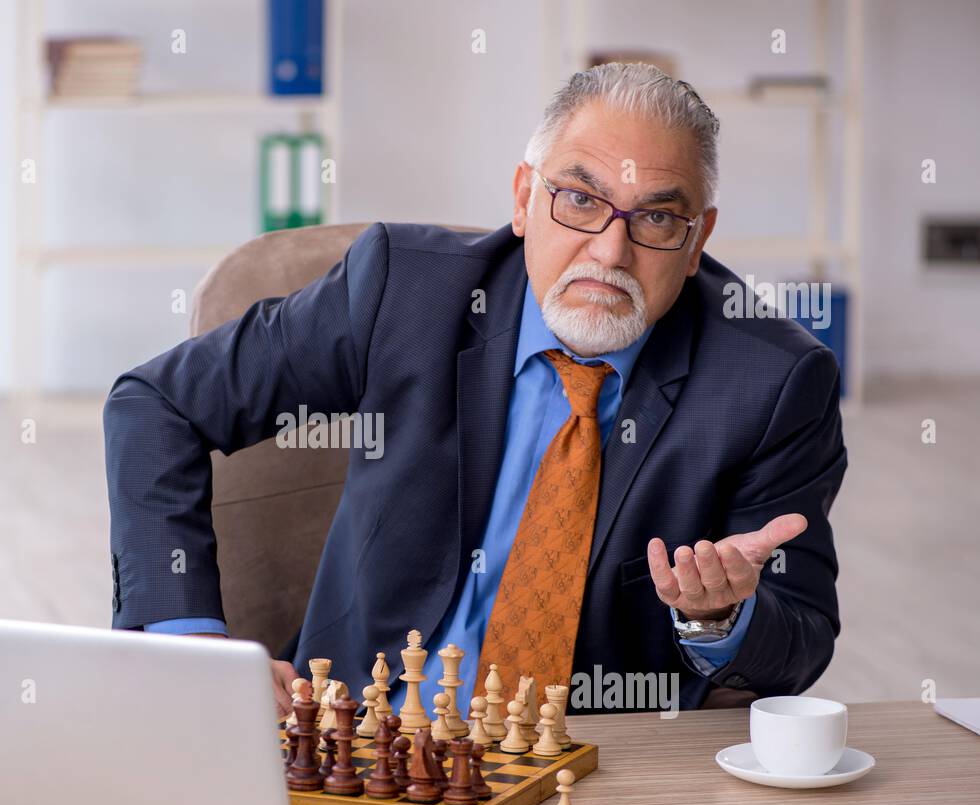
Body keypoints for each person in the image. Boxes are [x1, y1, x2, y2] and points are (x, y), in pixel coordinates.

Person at [103, 63, 846, 718]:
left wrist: (722, 617)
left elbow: (799, 635)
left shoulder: (773, 382)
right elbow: (155, 404)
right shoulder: (402, 288)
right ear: (524, 199)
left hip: (589, 775)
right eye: (579, 200)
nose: (610, 249)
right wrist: (190, 639)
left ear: (697, 241)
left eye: (656, 216)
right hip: (360, 740)